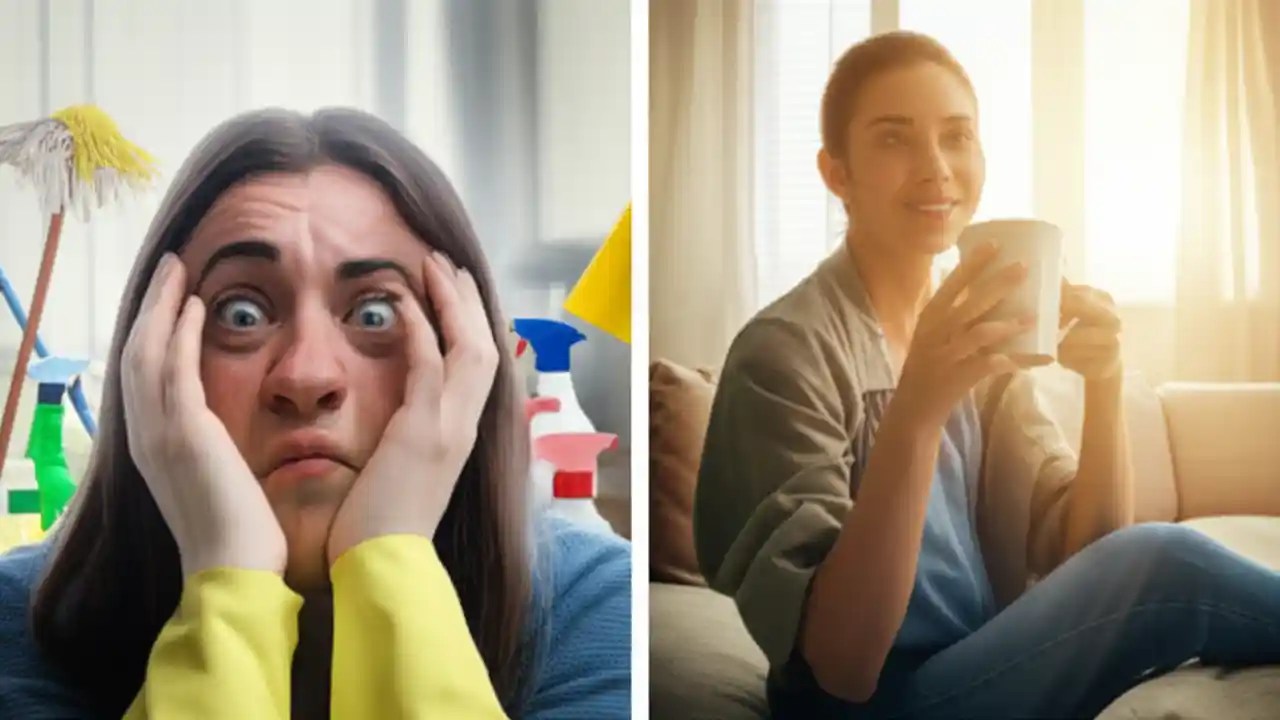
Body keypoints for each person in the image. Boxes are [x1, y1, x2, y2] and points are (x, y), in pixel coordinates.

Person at [695, 31, 1280, 720]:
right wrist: (917, 409)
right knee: (1164, 560)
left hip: (979, 665)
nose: (936, 167)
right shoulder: (781, 354)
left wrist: (1105, 386)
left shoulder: (980, 334)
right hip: (870, 704)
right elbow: (843, 665)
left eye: (957, 136)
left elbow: (1088, 556)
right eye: (893, 139)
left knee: (1147, 562)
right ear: (836, 173)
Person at [0, 108, 630, 719]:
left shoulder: (596, 607)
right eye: (241, 314)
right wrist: (230, 581)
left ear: (466, 352)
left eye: (374, 314)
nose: (307, 378)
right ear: (151, 353)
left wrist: (389, 558)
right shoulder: (14, 623)